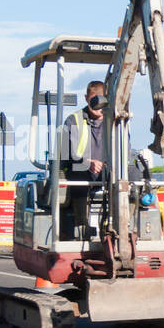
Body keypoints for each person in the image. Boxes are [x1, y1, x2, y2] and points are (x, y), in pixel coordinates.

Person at [59, 80, 107, 239]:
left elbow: (125, 149)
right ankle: (82, 226)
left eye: (101, 100)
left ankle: (120, 224)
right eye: (94, 100)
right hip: (80, 169)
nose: (98, 104)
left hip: (105, 172)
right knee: (78, 175)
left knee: (129, 175)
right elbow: (69, 152)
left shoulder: (114, 120)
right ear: (86, 98)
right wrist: (88, 163)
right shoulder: (74, 120)